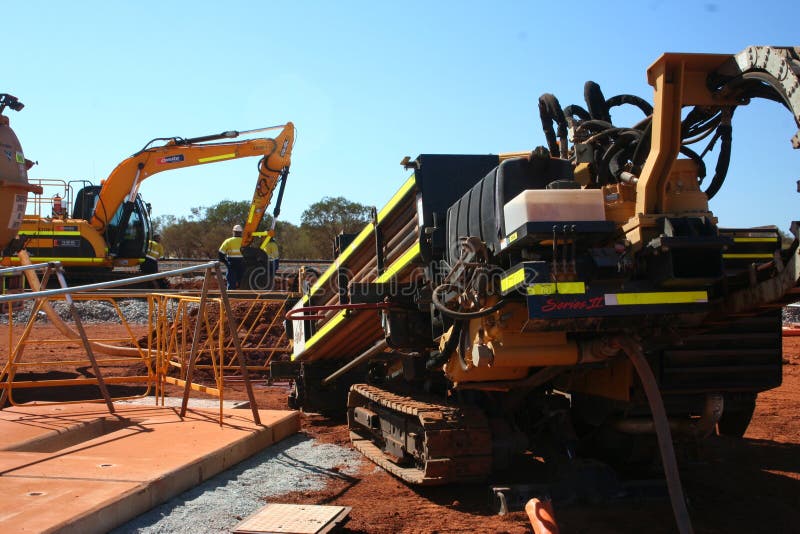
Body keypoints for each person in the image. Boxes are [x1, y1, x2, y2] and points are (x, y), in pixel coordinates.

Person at [218, 224, 244, 289]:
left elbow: (220, 253)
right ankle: (242, 297)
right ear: (241, 232)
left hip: (232, 264)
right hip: (242, 264)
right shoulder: (245, 241)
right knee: (242, 282)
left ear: (233, 232)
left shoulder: (228, 241)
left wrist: (226, 263)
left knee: (231, 283)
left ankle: (230, 297)